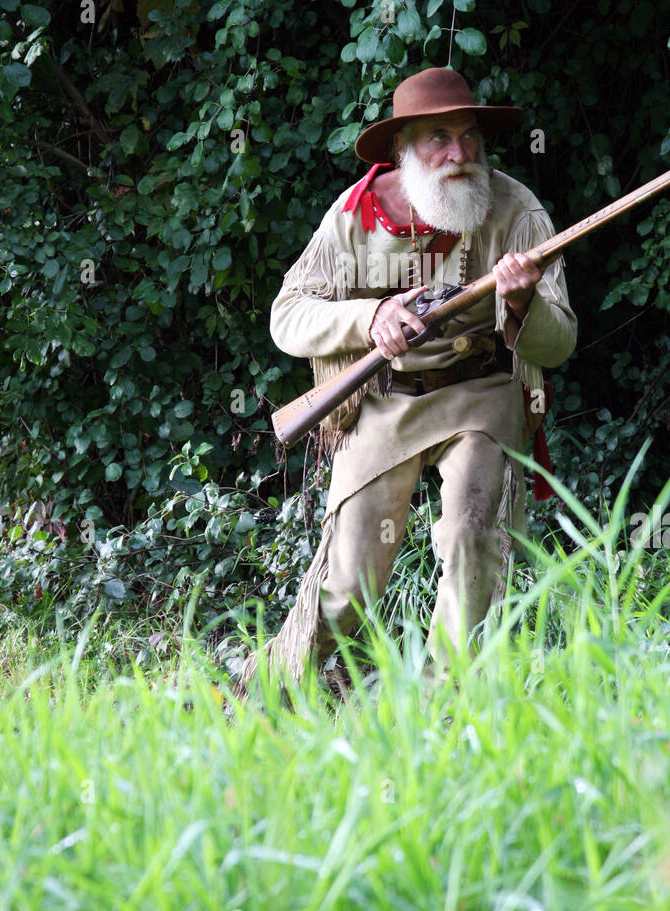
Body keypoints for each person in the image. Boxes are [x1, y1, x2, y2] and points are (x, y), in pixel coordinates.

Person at [235, 67, 577, 696]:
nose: (459, 153)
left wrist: (523, 306)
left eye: (469, 135)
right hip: (386, 402)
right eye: (438, 138)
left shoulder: (518, 209)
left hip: (482, 397)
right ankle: (267, 693)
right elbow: (288, 316)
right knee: (345, 582)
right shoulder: (353, 216)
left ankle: (452, 708)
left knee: (472, 535)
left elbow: (560, 343)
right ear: (403, 150)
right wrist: (371, 316)